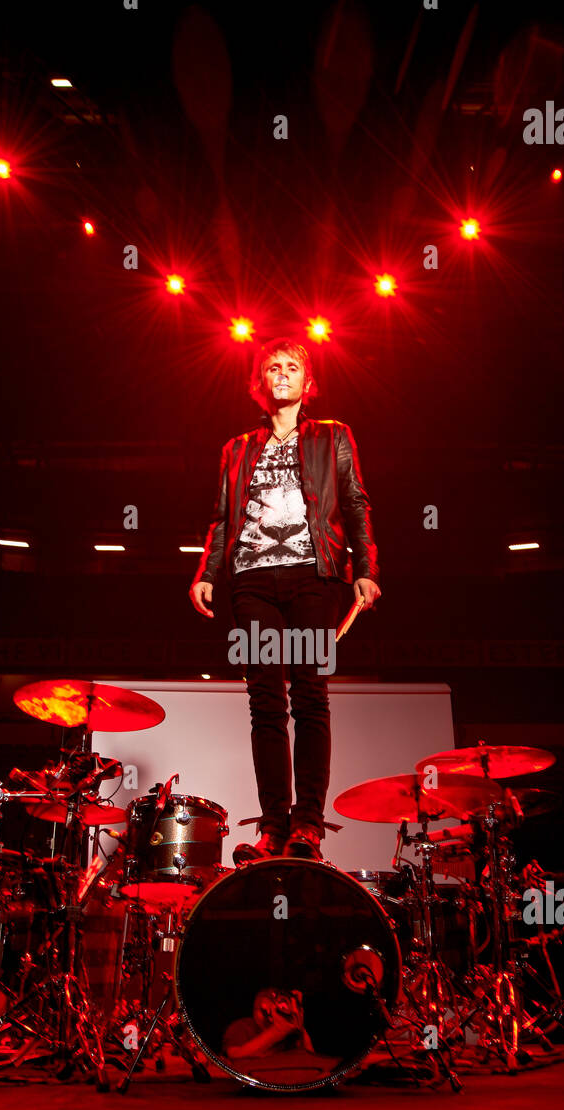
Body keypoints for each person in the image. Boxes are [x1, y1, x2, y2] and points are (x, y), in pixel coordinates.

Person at [189, 338, 380, 862]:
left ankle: (308, 825)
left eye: (292, 367)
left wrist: (364, 570)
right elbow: (222, 516)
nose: (281, 374)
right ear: (259, 382)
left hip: (312, 577)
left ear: (306, 382)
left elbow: (356, 502)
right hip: (251, 581)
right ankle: (274, 826)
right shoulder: (236, 448)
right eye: (272, 367)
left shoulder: (333, 436)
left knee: (310, 694)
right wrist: (208, 571)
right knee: (265, 703)